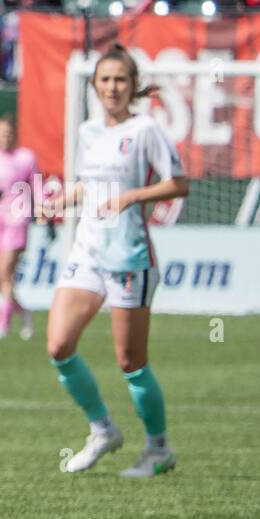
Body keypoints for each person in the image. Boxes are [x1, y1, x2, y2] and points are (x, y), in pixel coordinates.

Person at [44, 44, 188, 476]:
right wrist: (56, 202)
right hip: (87, 252)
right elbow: (88, 187)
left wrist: (130, 197)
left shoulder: (146, 129)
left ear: (133, 86)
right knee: (59, 346)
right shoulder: (88, 132)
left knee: (131, 361)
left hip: (129, 257)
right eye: (105, 79)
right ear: (95, 85)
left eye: (120, 79)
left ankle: (158, 448)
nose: (112, 87)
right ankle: (103, 429)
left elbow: (179, 184)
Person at [0, 114, 37, 341]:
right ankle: (24, 313)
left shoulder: (25, 158)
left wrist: (44, 213)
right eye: (1, 133)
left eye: (9, 133)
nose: (5, 137)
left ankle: (2, 323)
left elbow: (37, 185)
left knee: (5, 272)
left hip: (17, 219)